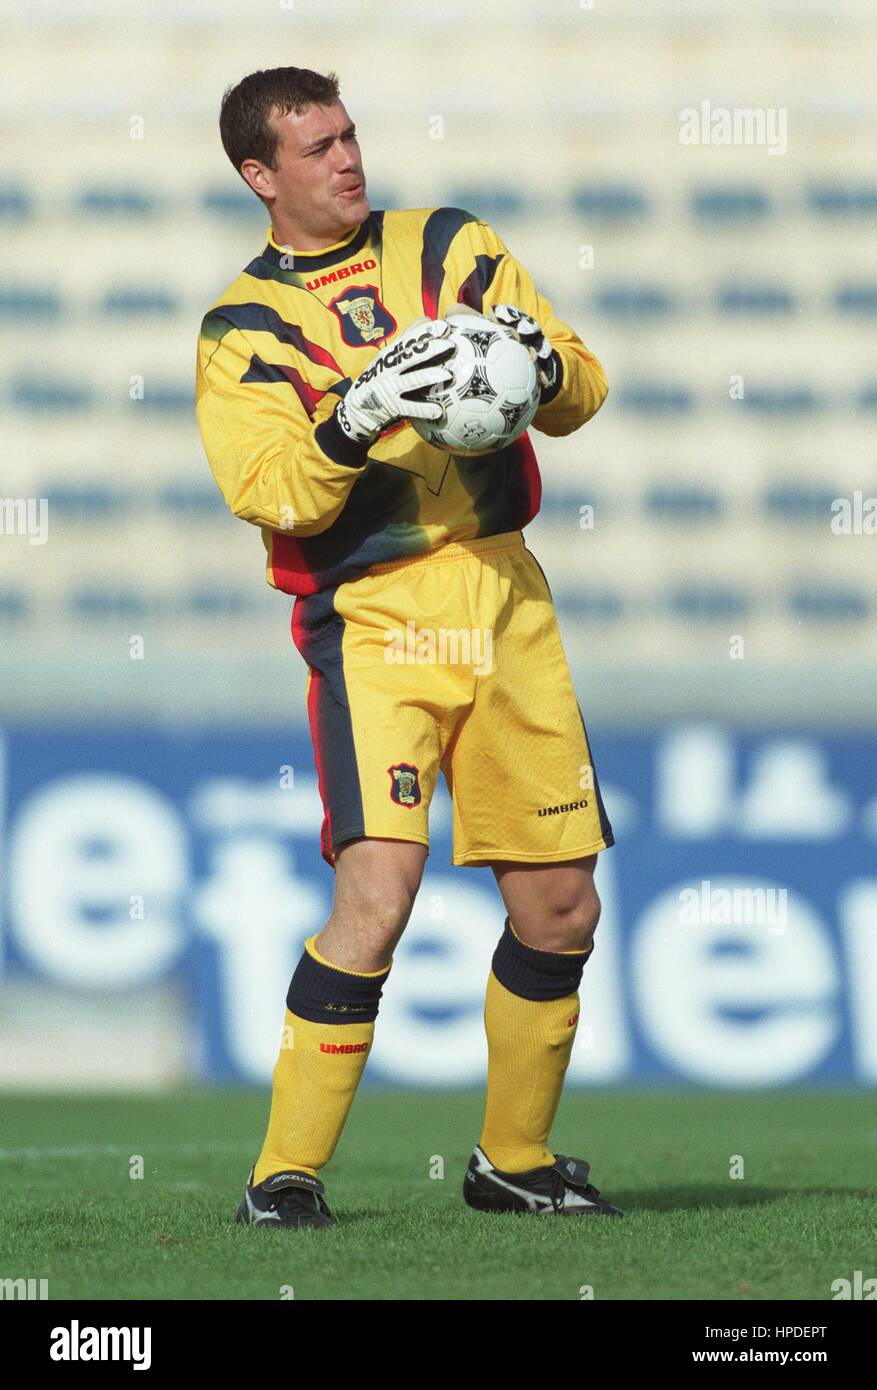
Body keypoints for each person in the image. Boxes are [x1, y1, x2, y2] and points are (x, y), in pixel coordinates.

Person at [195, 65, 622, 1226]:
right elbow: (270, 490)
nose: (347, 159)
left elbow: (582, 384)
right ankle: (282, 1178)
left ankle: (512, 1163)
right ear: (259, 175)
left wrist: (539, 371)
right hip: (375, 620)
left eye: (349, 135)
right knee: (375, 897)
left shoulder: (449, 244)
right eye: (317, 146)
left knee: (562, 910)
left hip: (505, 595)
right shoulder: (240, 329)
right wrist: (356, 410)